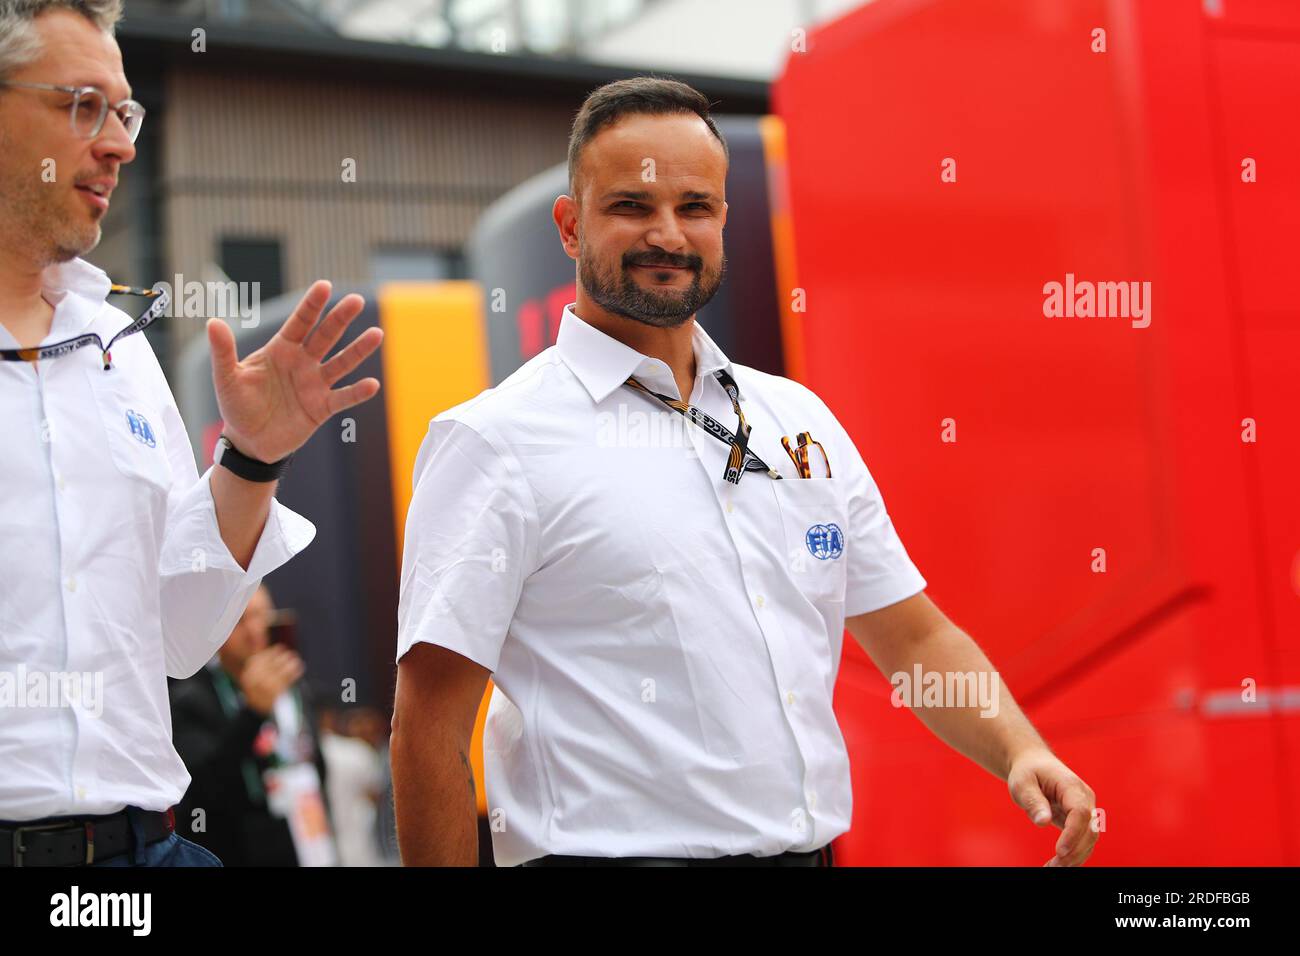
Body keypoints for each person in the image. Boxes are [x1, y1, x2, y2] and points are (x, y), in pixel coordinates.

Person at [391, 77, 1099, 867]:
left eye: (695, 207)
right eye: (632, 206)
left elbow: (911, 636)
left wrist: (1017, 750)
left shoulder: (798, 418)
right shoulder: (493, 443)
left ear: (723, 218)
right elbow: (429, 726)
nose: (668, 234)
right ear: (569, 225)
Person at [0, 0, 382, 867]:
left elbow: (180, 635)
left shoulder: (120, 351)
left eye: (125, 111)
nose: (121, 144)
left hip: (147, 853)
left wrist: (253, 460)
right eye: (82, 105)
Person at [169, 586, 335, 866]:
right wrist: (252, 715)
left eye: (261, 615)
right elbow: (200, 792)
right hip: (234, 851)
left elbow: (316, 767)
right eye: (241, 619)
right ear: (217, 631)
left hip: (303, 844)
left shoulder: (293, 687)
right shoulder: (191, 695)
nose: (255, 629)